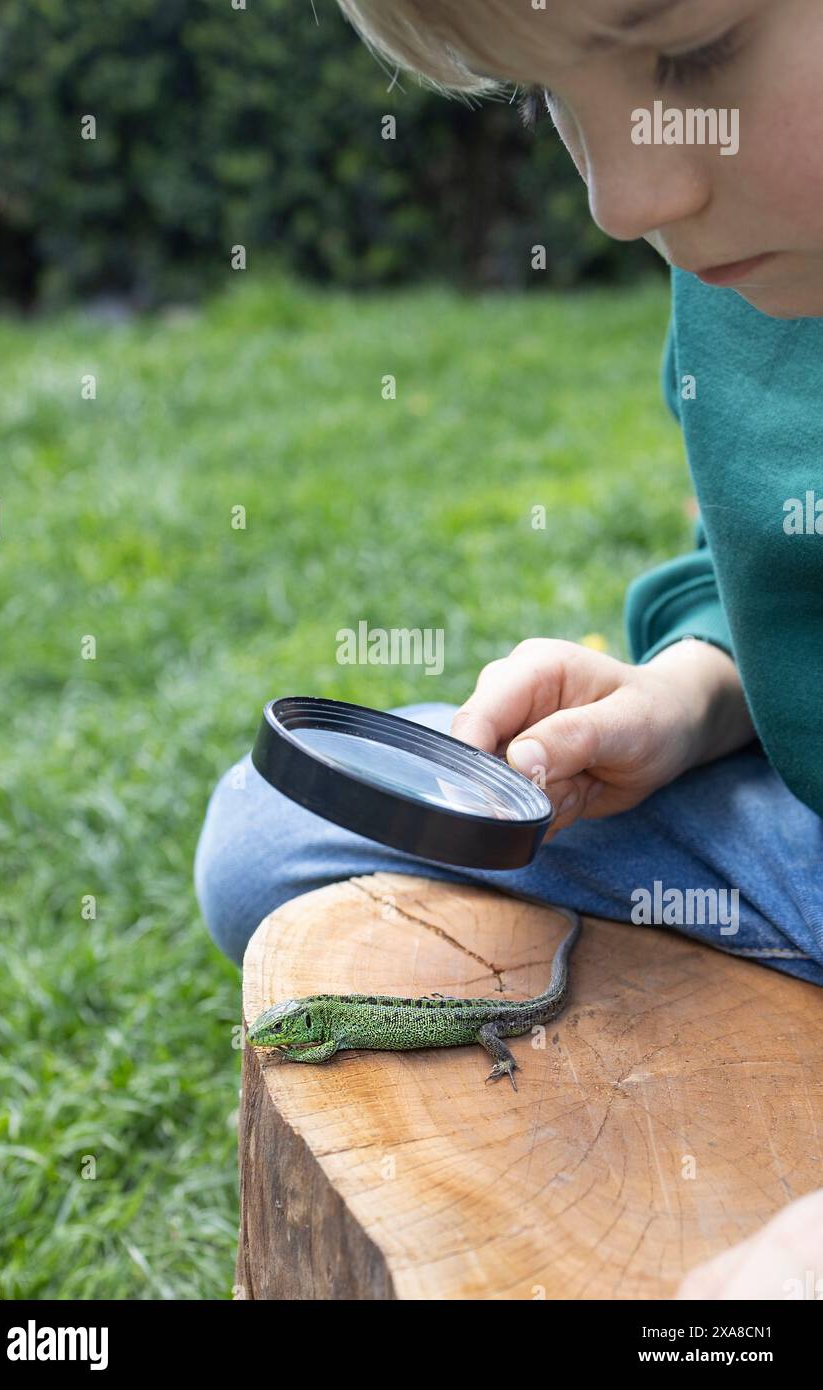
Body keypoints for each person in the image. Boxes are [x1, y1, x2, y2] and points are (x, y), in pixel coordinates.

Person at [195, 0, 823, 1297]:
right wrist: (691, 692)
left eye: (692, 59)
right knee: (270, 822)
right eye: (552, 99)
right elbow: (762, 573)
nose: (627, 193)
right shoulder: (751, 258)